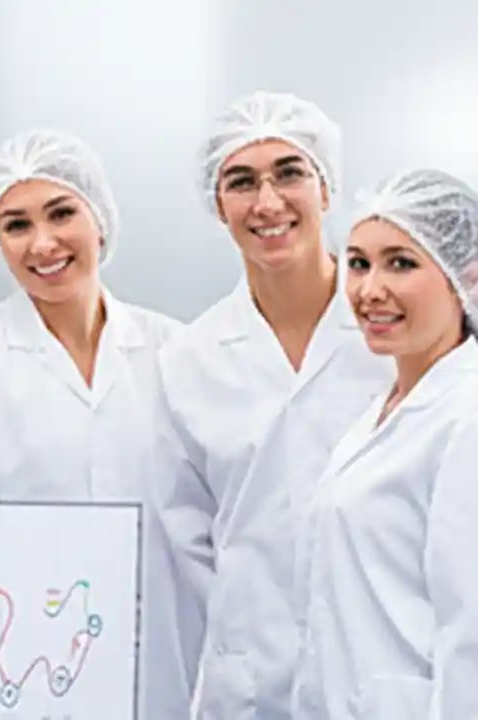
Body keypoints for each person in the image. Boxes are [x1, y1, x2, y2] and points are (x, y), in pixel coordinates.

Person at [0, 129, 191, 718]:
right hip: (24, 667)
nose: (42, 243)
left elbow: (200, 525)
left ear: (100, 218)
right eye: (15, 224)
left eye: (61, 213)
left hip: (164, 661)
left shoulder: (173, 351)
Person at [154, 90, 396, 719]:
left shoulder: (396, 327)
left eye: (289, 173)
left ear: (327, 187)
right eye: (241, 181)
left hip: (389, 669)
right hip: (250, 685)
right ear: (218, 203)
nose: (267, 202)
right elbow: (187, 547)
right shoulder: (190, 359)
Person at [290, 168, 478, 719]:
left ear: (469, 279)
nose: (369, 288)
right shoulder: (383, 415)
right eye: (358, 263)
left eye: (401, 263)